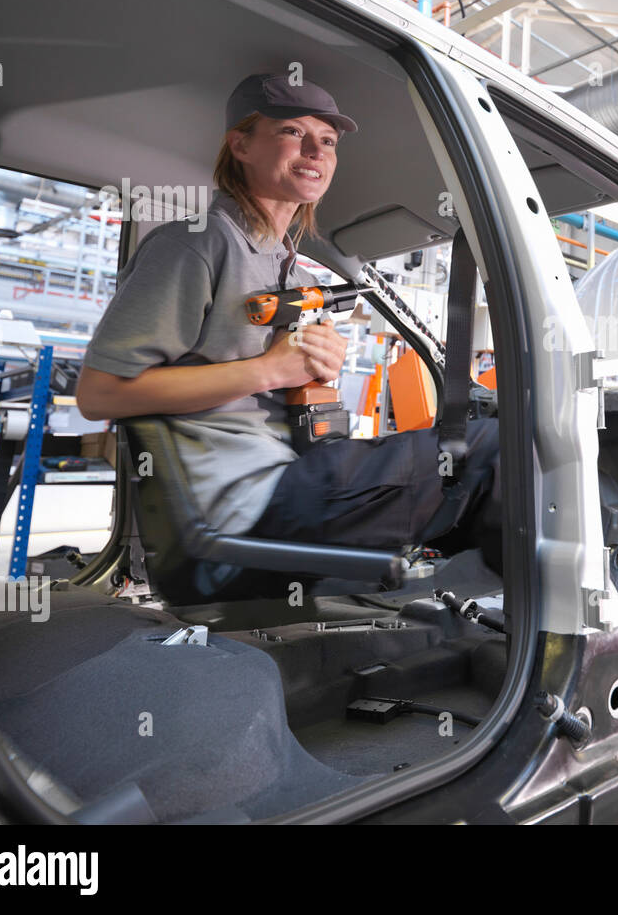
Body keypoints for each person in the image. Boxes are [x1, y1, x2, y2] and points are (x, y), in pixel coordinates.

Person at [76, 73, 500, 597]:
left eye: (327, 141)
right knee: (496, 447)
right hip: (245, 507)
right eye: (293, 132)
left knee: (469, 484)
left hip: (292, 474)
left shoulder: (295, 274)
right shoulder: (195, 246)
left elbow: (285, 381)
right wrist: (268, 369)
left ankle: (468, 630)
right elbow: (98, 394)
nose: (314, 150)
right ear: (241, 144)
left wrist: (319, 364)